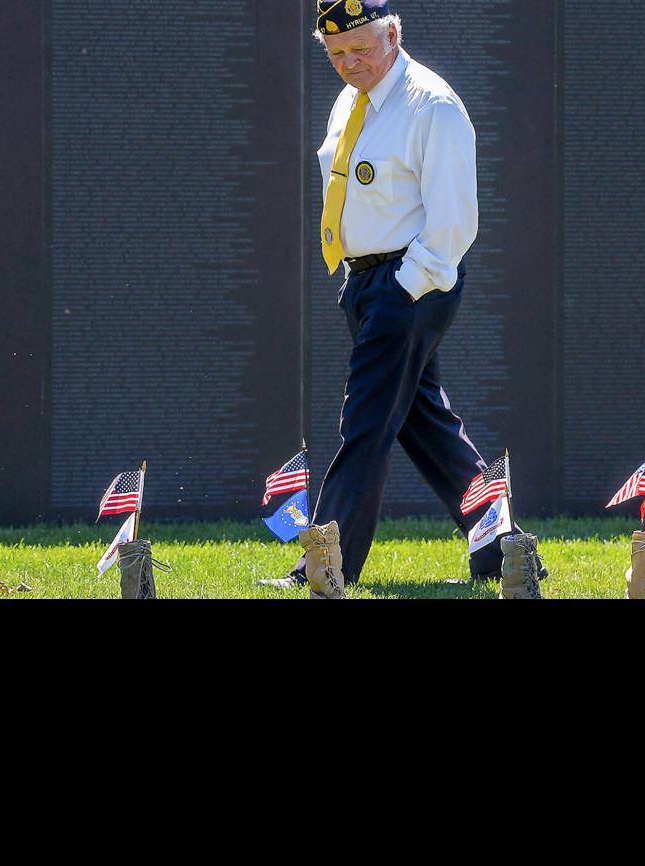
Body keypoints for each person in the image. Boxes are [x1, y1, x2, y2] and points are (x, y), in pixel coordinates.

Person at [264, 0, 501, 590]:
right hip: (367, 282)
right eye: (336, 53)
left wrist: (401, 286)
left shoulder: (433, 105)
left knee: (365, 425)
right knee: (429, 429)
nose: (349, 63)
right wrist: (362, 282)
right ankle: (504, 550)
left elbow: (454, 224)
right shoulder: (352, 101)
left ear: (393, 33)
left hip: (410, 284)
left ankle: (323, 565)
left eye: (361, 48)